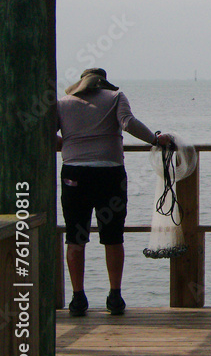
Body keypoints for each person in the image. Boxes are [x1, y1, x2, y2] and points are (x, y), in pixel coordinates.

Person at [56, 68, 171, 316]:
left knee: (75, 238)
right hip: (110, 175)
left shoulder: (63, 103)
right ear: (102, 83)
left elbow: (48, 135)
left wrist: (69, 143)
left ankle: (77, 299)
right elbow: (128, 123)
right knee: (113, 236)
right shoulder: (116, 96)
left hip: (74, 175)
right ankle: (115, 297)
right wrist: (155, 139)